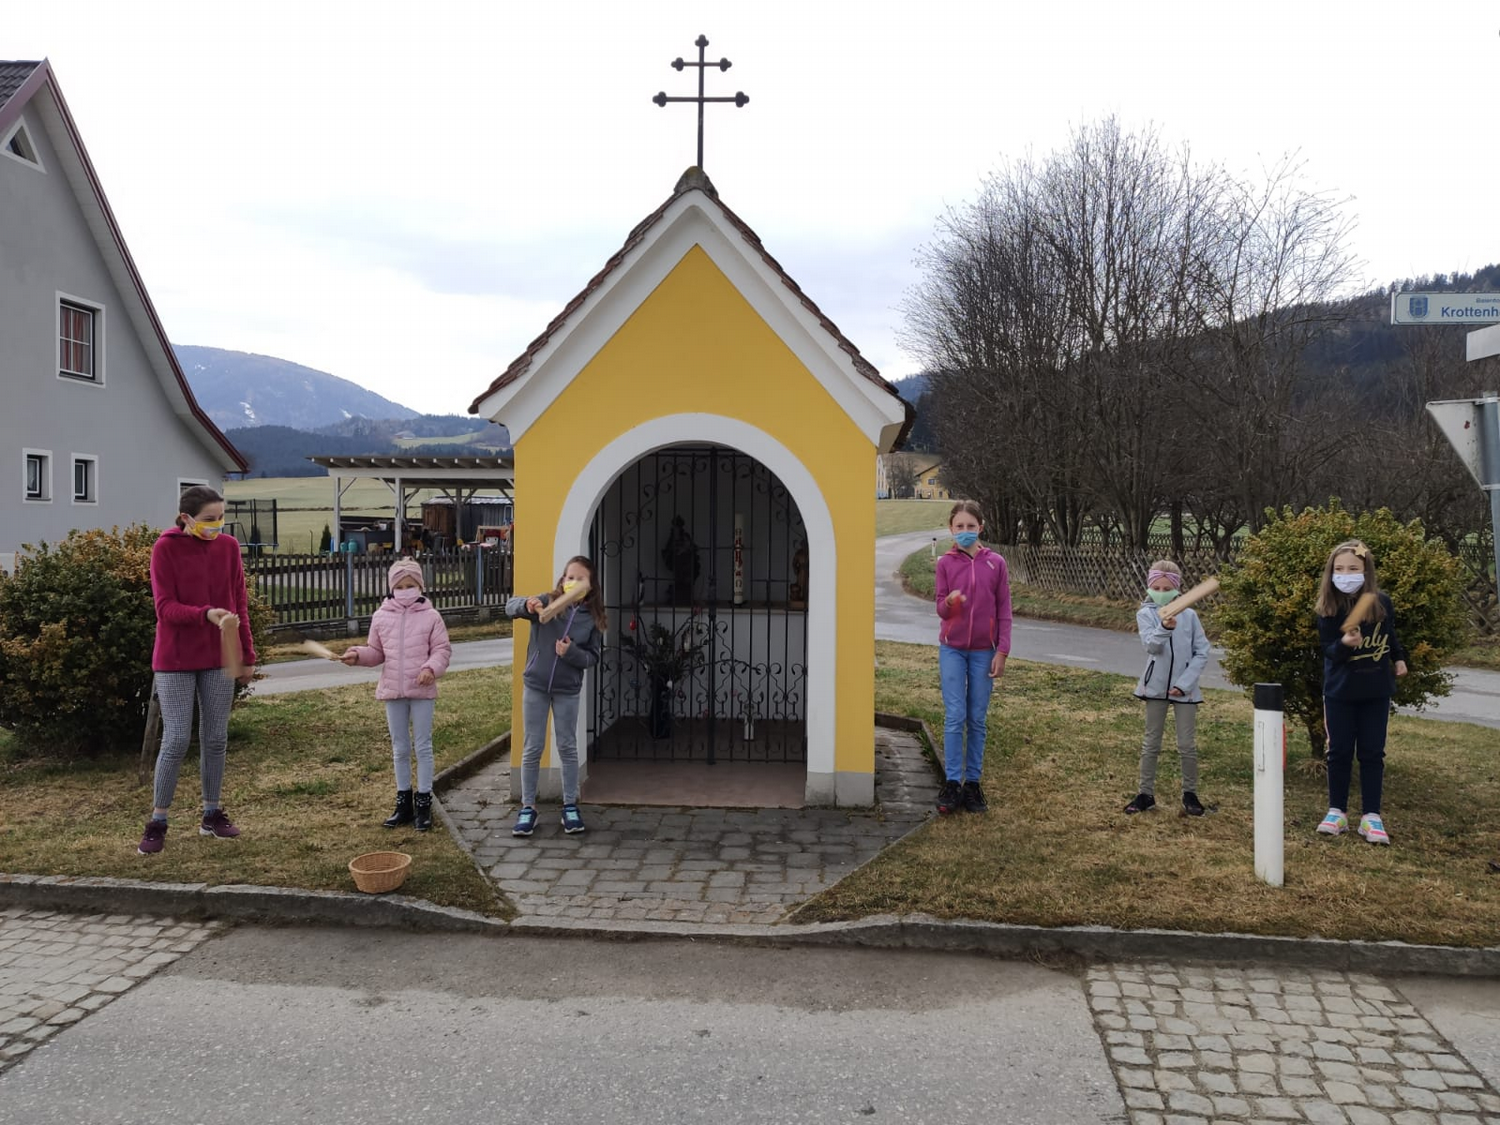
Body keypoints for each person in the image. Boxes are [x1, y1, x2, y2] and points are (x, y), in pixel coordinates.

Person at [138, 486, 255, 855]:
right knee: (176, 740)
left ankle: (211, 814)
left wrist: (247, 654)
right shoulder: (165, 548)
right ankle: (158, 821)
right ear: (186, 518)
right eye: (208, 519)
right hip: (175, 659)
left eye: (221, 517)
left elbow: (239, 602)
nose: (216, 525)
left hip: (220, 657)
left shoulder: (229, 547)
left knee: (216, 737)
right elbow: (165, 608)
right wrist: (206, 614)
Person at [341, 558, 452, 831]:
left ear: (420, 586)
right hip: (393, 690)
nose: (404, 590)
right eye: (399, 586)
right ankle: (403, 803)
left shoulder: (431, 617)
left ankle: (424, 802)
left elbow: (442, 650)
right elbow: (376, 651)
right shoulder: (381, 616)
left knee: (422, 746)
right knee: (400, 748)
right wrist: (358, 655)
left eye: (410, 585)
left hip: (422, 690)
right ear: (391, 588)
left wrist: (430, 668)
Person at [1314, 540, 1408, 845]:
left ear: (1366, 571)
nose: (1345, 574)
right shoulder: (1329, 608)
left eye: (1352, 568)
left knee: (1372, 752)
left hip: (1376, 691)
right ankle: (1337, 812)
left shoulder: (1381, 603)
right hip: (1340, 692)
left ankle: (1371, 816)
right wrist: (1344, 645)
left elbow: (1390, 634)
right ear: (1331, 573)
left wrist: (1399, 658)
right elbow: (1328, 651)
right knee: (1339, 751)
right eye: (1339, 569)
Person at [506, 556, 606, 837]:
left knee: (567, 746)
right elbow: (509, 606)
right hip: (536, 686)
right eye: (569, 577)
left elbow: (592, 657)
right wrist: (526, 605)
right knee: (533, 747)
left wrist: (570, 652)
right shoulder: (547, 601)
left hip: (567, 690)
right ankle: (528, 807)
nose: (572, 582)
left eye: (579, 578)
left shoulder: (593, 619)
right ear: (562, 579)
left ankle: (570, 805)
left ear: (590, 585)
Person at [933, 500, 1012, 815]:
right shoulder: (945, 564)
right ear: (951, 529)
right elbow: (940, 608)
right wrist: (950, 603)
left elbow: (1004, 609)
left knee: (977, 718)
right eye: (959, 526)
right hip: (952, 649)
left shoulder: (996, 563)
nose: (965, 531)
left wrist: (1002, 650)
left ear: (981, 527)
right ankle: (953, 782)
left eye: (970, 526)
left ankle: (973, 784)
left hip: (983, 651)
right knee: (955, 716)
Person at [1124, 561, 1211, 817]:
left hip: (1186, 690)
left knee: (1187, 745)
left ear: (1177, 588)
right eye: (1157, 588)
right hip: (1155, 687)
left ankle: (1190, 794)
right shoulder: (1145, 614)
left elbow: (1202, 651)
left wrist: (1184, 684)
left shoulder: (1190, 616)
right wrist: (1164, 628)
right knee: (1151, 743)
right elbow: (1151, 647)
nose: (1161, 592)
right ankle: (1145, 794)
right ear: (1149, 587)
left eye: (1167, 588)